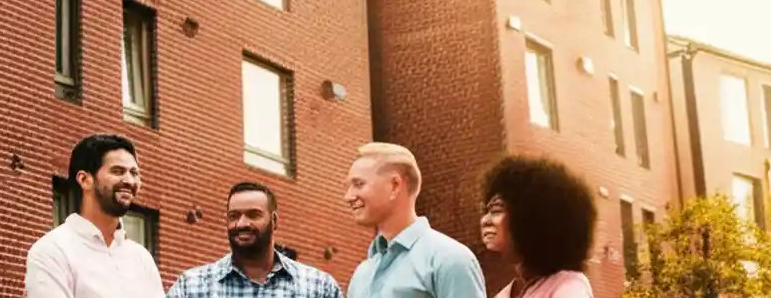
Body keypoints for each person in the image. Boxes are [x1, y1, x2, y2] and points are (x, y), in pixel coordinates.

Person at [25, 134, 163, 298]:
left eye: (134, 173)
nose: (129, 181)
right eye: (117, 171)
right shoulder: (52, 250)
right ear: (84, 179)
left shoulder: (141, 259)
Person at [344, 143, 486, 298]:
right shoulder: (361, 275)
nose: (348, 196)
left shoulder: (450, 259)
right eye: (349, 186)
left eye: (359, 184)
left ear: (395, 186)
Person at [167, 182, 342, 298]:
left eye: (253, 215)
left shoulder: (319, 287)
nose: (242, 223)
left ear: (274, 221)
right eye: (233, 216)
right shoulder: (191, 287)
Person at [479, 155, 596, 297]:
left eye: (496, 210)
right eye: (486, 212)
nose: (485, 220)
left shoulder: (570, 287)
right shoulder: (509, 292)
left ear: (531, 217)